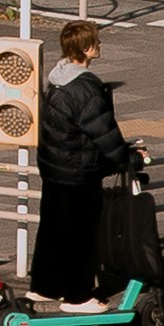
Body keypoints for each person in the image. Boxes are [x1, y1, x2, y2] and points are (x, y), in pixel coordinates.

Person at [33, 18, 135, 301]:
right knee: (80, 234)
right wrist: (126, 158)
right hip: (78, 171)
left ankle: (44, 287)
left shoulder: (57, 78)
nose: (99, 45)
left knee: (52, 229)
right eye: (96, 42)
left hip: (54, 167)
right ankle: (77, 295)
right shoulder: (86, 88)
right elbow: (104, 133)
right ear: (87, 48)